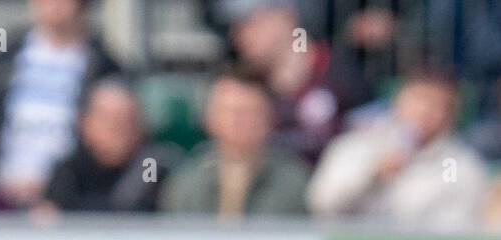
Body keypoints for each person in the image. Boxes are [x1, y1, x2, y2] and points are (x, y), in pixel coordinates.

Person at [0, 0, 121, 207]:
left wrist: (58, 188)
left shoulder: (102, 64)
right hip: (1, 191)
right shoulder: (8, 52)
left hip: (68, 199)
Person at [308, 69, 491, 229]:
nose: (424, 111)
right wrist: (373, 175)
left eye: (436, 104)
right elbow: (322, 202)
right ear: (398, 100)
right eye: (418, 99)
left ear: (451, 113)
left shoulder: (464, 167)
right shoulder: (355, 147)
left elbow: (461, 228)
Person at [226, 0, 372, 165]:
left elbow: (375, 139)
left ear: (285, 18)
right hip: (274, 186)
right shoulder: (246, 87)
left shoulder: (338, 71)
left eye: (249, 25)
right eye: (235, 30)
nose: (239, 38)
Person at [162, 69, 310, 217]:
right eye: (228, 112)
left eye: (248, 113)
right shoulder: (186, 182)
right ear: (208, 118)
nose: (237, 122)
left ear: (268, 119)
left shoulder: (294, 182)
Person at [40, 80, 174, 214]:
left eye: (127, 120)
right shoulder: (69, 170)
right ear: (86, 123)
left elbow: (144, 206)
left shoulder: (149, 165)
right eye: (109, 121)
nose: (118, 130)